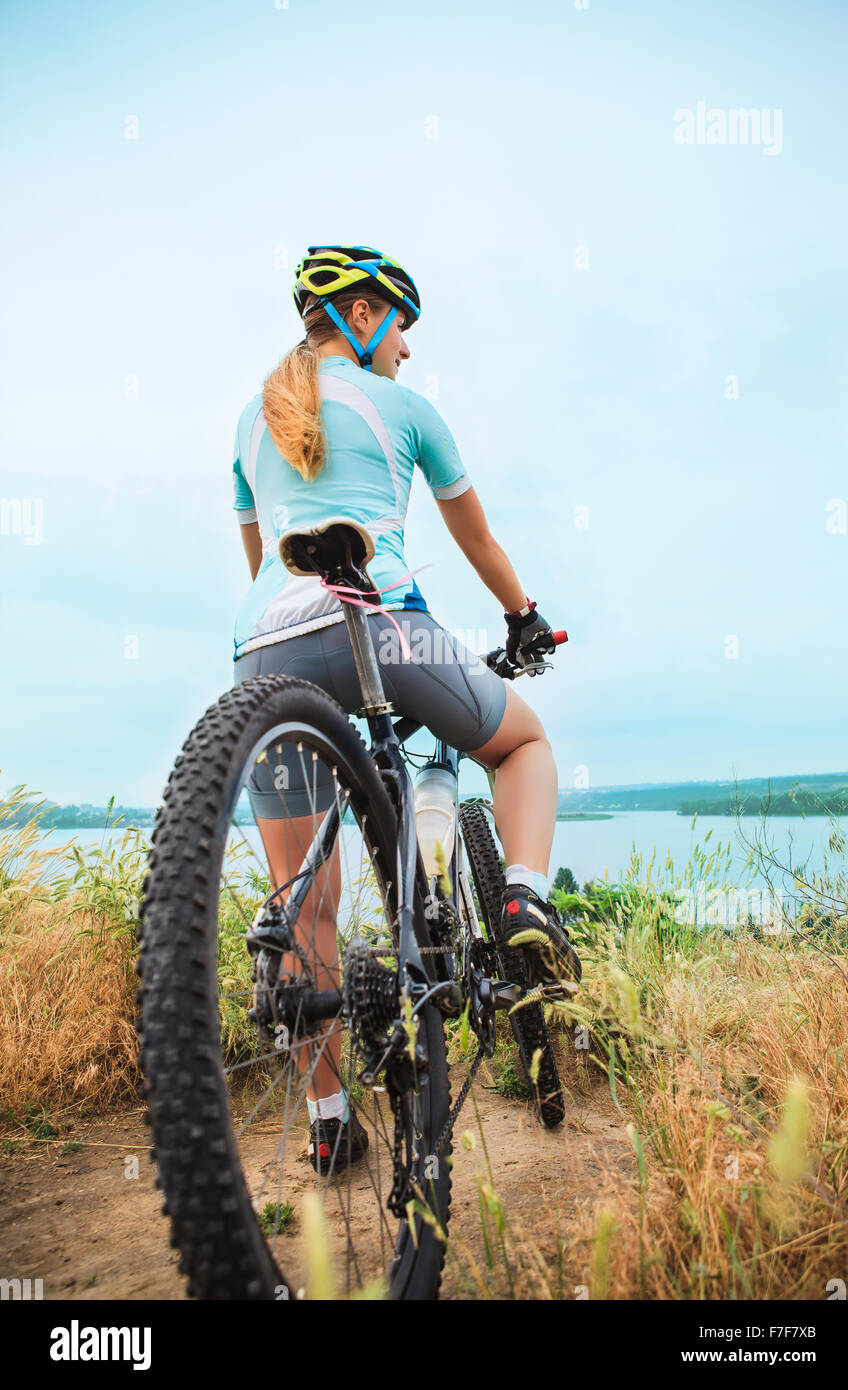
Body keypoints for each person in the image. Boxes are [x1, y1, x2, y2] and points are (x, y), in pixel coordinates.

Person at [231, 245, 580, 1171]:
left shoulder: (250, 421)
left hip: (263, 653)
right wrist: (525, 621)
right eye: (404, 330)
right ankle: (523, 902)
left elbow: (263, 556)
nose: (410, 352)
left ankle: (332, 1121)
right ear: (365, 319)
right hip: (385, 633)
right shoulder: (406, 408)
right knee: (523, 745)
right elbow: (478, 538)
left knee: (306, 910)